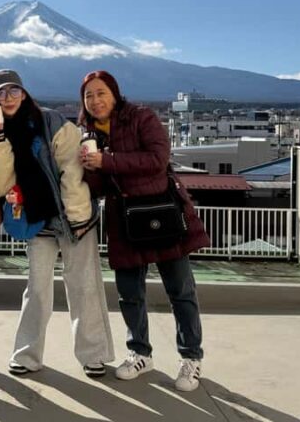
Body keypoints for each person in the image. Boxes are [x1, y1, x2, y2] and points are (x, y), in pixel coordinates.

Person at [78, 70, 210, 391]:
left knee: (180, 290)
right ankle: (139, 352)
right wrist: (86, 167)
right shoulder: (87, 132)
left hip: (160, 214)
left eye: (101, 93)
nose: (95, 101)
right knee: (129, 293)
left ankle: (191, 358)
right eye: (89, 96)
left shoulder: (141, 117)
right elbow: (97, 185)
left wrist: (106, 161)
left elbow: (157, 158)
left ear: (115, 93)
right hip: (123, 221)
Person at [0, 69, 114, 378]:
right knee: (37, 289)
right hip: (35, 219)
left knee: (84, 285)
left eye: (14, 91)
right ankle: (27, 355)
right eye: (1, 93)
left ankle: (93, 355)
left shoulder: (51, 121)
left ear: (24, 93)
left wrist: (78, 219)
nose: (9, 98)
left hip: (73, 215)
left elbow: (72, 172)